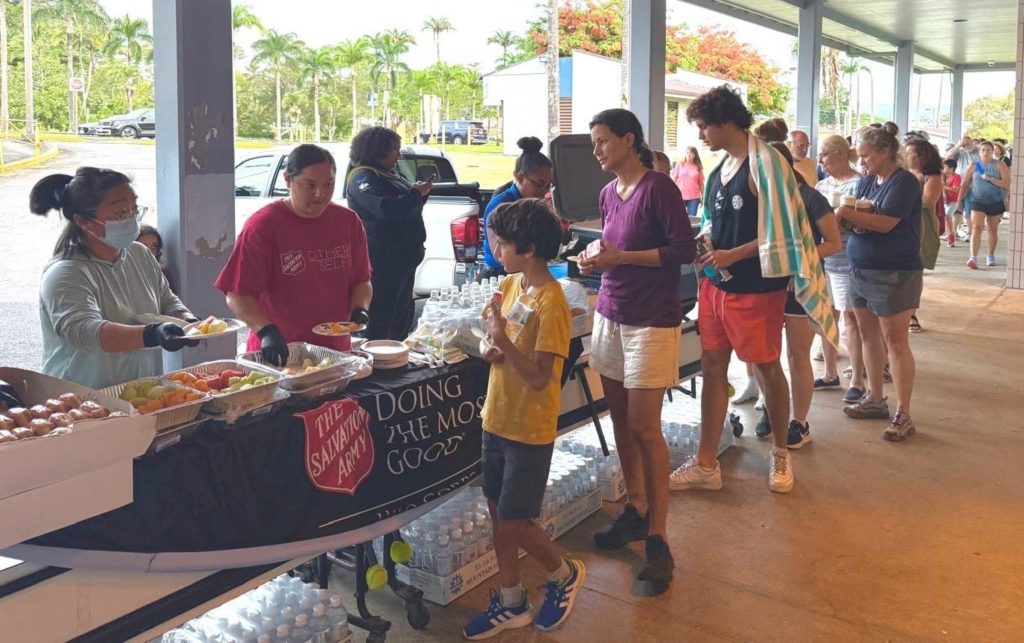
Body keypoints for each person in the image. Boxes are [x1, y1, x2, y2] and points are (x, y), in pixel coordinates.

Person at [671, 86, 837, 493]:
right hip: (715, 287)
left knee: (767, 369)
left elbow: (784, 233)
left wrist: (732, 255)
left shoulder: (767, 164)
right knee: (713, 367)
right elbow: (713, 220)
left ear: (728, 123)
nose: (701, 136)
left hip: (757, 288)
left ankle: (781, 453)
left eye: (704, 126)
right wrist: (707, 244)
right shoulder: (721, 168)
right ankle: (707, 462)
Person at [579, 108, 696, 592]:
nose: (597, 150)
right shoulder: (609, 193)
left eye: (604, 141)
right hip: (611, 312)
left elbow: (682, 251)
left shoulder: (659, 188)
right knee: (619, 418)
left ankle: (659, 539)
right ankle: (635, 505)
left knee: (646, 427)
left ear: (629, 140)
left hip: (651, 320)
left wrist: (621, 257)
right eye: (594, 143)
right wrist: (592, 258)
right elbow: (610, 243)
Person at [464, 198, 584, 639]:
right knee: (498, 512)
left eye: (501, 240)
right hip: (495, 418)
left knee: (516, 519)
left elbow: (538, 377)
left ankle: (562, 572)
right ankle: (511, 599)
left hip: (528, 430)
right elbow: (488, 337)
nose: (494, 245)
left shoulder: (553, 303)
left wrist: (503, 343)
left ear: (529, 248)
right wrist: (488, 346)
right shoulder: (513, 285)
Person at [30, 167, 199, 389]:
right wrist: (152, 334)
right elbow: (86, 331)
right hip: (83, 399)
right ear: (83, 221)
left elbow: (166, 299)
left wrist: (187, 320)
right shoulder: (66, 272)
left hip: (140, 390)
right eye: (121, 213)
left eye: (134, 209)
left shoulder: (139, 254)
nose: (131, 219)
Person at [216, 144, 372, 365]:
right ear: (288, 180)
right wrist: (266, 331)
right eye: (310, 185)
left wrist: (361, 309)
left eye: (328, 185)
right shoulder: (263, 226)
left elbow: (361, 280)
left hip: (336, 353)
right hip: (281, 352)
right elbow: (237, 294)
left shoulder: (348, 222)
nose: (320, 195)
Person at [837, 127, 923, 442]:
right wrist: (845, 217)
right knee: (867, 334)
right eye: (858, 157)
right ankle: (874, 397)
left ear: (886, 151)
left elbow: (885, 223)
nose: (861, 163)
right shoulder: (868, 181)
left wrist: (844, 213)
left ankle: (904, 412)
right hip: (860, 267)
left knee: (895, 341)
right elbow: (858, 216)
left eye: (865, 156)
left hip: (895, 272)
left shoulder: (904, 182)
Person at [754, 142, 841, 448]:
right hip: (762, 285)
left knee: (797, 355)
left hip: (798, 286)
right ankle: (770, 406)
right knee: (762, 354)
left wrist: (798, 261)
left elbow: (834, 242)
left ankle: (799, 422)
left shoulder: (809, 196)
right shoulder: (759, 195)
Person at [345, 126, 430, 340]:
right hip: (383, 258)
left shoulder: (392, 174)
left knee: (401, 312)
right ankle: (378, 357)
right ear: (378, 149)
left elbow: (408, 208)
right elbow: (386, 209)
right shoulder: (363, 177)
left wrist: (419, 194)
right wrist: (413, 194)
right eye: (394, 149)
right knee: (382, 313)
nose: (398, 155)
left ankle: (395, 351)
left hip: (405, 256)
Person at [813, 135, 867, 403]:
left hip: (847, 259)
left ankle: (857, 378)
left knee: (851, 320)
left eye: (824, 155)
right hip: (823, 259)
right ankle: (830, 372)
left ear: (839, 154)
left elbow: (864, 221)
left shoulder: (859, 184)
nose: (821, 161)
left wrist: (841, 218)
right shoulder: (821, 185)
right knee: (826, 317)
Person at [479, 136, 554, 280]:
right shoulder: (501, 206)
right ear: (519, 177)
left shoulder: (533, 204)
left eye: (548, 186)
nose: (544, 192)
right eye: (539, 184)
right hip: (499, 275)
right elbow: (498, 254)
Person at [903, 138, 943, 333]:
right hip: (903, 223)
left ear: (921, 157)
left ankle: (911, 312)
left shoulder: (932, 177)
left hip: (924, 225)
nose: (905, 155)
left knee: (916, 271)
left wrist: (896, 199)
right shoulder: (902, 173)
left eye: (909, 153)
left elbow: (926, 201)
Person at [957, 140, 1011, 269]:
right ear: (979, 152)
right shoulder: (974, 166)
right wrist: (959, 200)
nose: (985, 152)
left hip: (995, 200)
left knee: (992, 229)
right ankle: (973, 257)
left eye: (988, 150)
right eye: (983, 150)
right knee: (976, 227)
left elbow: (1006, 183)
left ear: (993, 152)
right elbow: (965, 184)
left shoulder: (1000, 165)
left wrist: (991, 179)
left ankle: (990, 254)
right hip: (977, 200)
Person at [670, 146, 705, 217]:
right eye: (687, 152)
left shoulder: (698, 167)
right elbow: (674, 180)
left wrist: (703, 197)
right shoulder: (680, 164)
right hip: (679, 196)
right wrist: (671, 193)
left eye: (691, 153)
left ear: (695, 155)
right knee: (679, 218)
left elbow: (701, 184)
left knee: (691, 220)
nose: (689, 155)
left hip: (694, 198)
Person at [942, 159, 963, 248]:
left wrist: (944, 186)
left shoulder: (956, 177)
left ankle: (951, 235)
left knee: (947, 216)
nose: (944, 169)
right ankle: (949, 234)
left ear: (952, 168)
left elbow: (956, 189)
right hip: (945, 200)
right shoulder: (943, 176)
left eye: (945, 167)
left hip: (954, 200)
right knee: (945, 217)